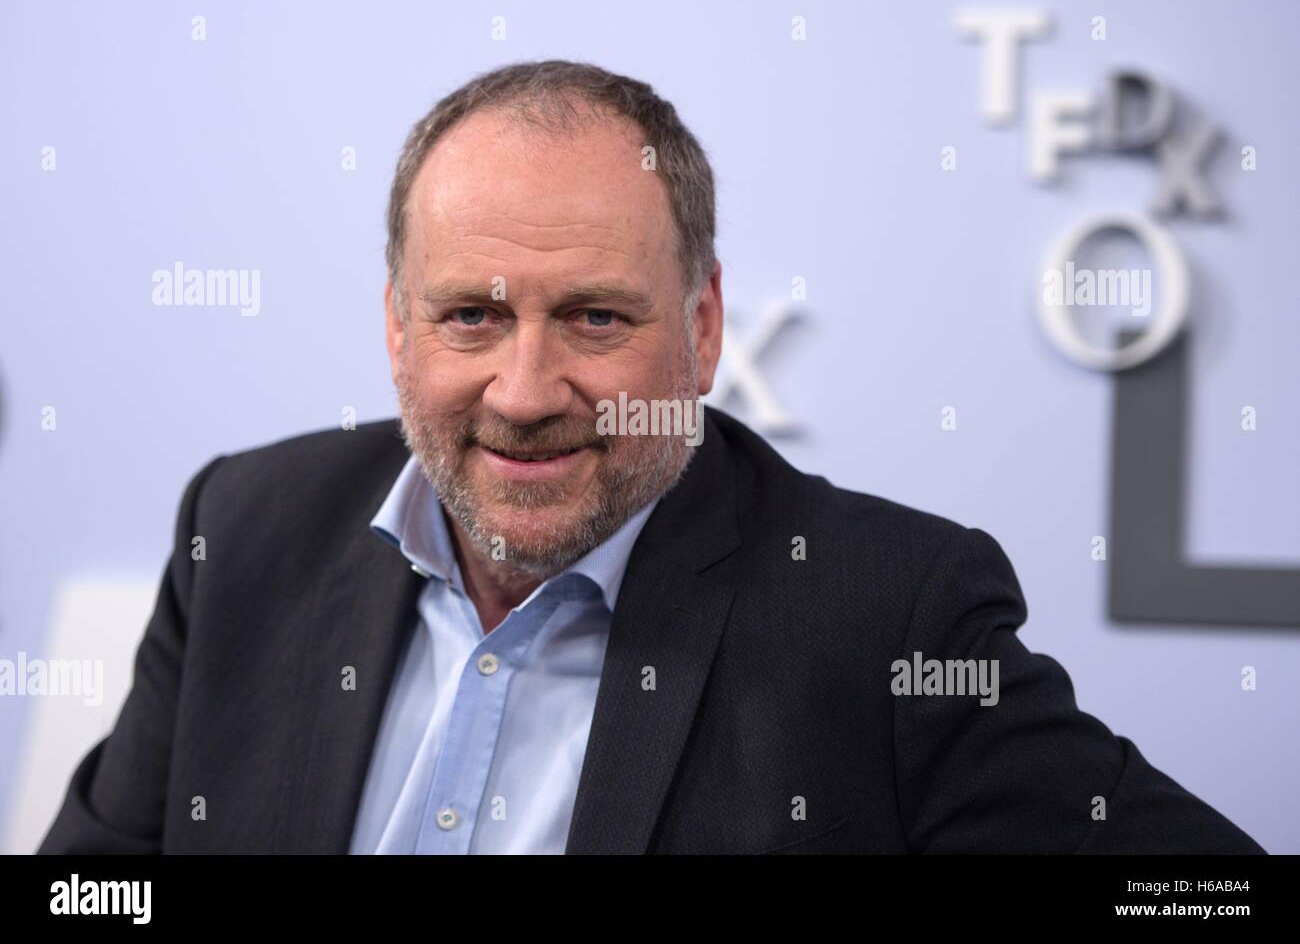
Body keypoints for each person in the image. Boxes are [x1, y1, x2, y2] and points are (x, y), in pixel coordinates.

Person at [39, 60, 1264, 854]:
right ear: (396, 325)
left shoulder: (889, 616)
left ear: (704, 327)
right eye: (472, 313)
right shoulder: (244, 529)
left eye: (595, 318)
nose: (525, 393)